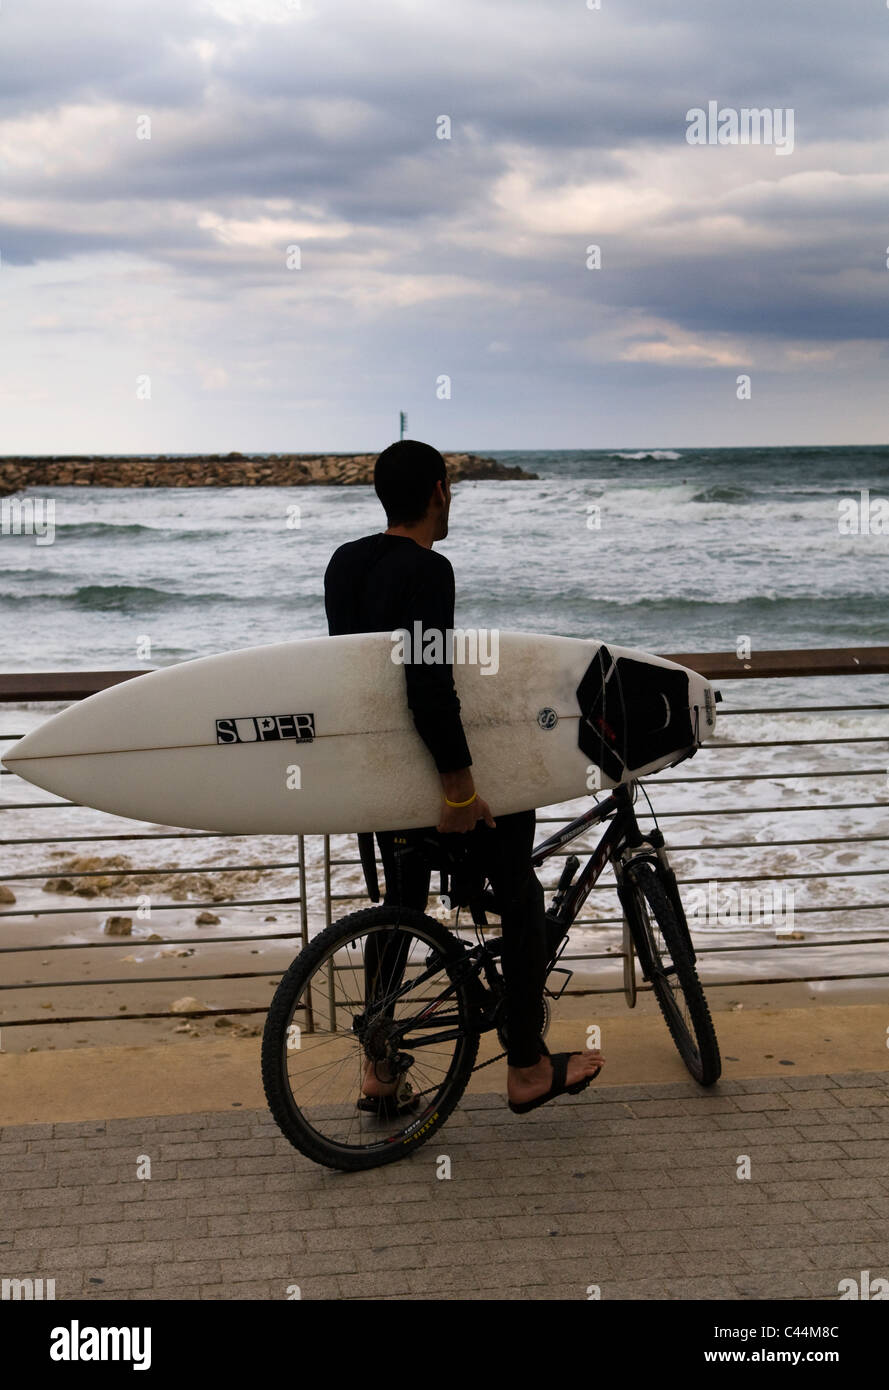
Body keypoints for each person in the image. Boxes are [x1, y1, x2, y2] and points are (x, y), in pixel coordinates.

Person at [323, 439, 604, 1113]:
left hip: (375, 776)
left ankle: (380, 1071)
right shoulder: (429, 569)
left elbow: (361, 682)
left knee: (400, 906)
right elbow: (426, 685)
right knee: (517, 888)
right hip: (425, 778)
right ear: (439, 492)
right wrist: (458, 788)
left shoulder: (343, 564)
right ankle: (529, 1067)